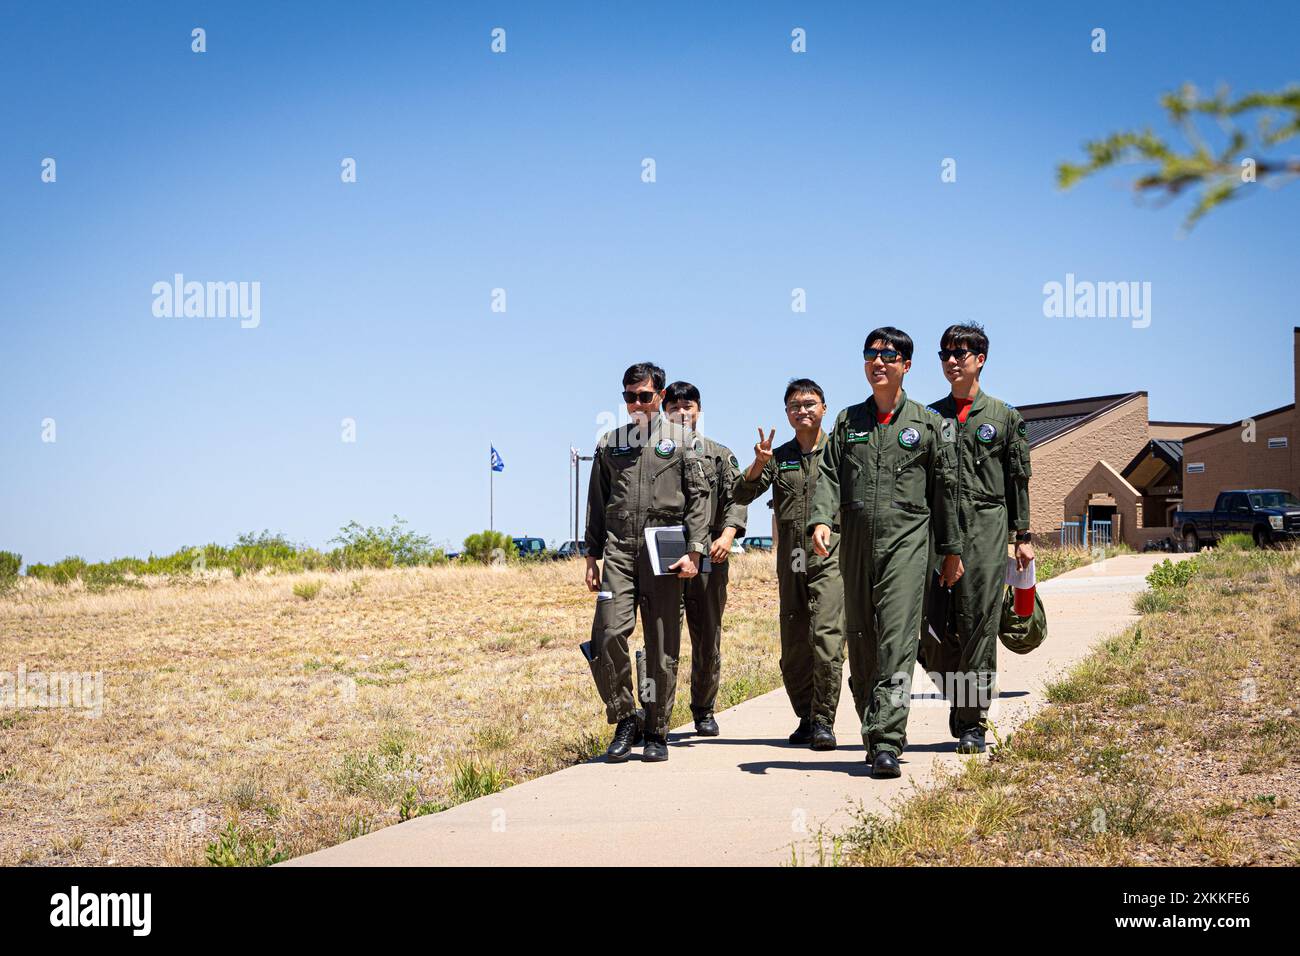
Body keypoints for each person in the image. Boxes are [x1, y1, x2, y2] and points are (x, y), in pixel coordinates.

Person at [808, 328, 961, 779]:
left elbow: (945, 493)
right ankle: (874, 732)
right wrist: (821, 519)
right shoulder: (848, 421)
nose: (879, 362)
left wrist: (951, 551)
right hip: (854, 541)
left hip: (907, 543)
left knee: (897, 638)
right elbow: (830, 475)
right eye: (871, 355)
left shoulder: (927, 425)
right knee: (860, 638)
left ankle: (888, 740)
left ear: (906, 366)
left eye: (889, 356)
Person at [584, 362, 710, 762]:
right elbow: (597, 503)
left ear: (659, 396)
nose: (636, 403)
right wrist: (591, 555)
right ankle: (625, 717)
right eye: (629, 396)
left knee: (662, 643)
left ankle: (657, 728)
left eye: (644, 396)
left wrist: (696, 551)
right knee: (607, 634)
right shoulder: (611, 443)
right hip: (619, 550)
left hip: (665, 549)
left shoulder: (682, 440)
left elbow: (699, 498)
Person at [919, 323, 1033, 754]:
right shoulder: (929, 417)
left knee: (977, 625)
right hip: (935, 528)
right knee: (928, 627)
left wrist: (1022, 535)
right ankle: (959, 696)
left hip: (987, 524)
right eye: (945, 353)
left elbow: (1018, 480)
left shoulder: (1005, 418)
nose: (952, 361)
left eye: (961, 353)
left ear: (979, 359)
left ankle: (972, 722)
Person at [733, 378, 845, 750]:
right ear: (787, 413)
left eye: (810, 404)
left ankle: (825, 720)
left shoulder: (840, 453)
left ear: (824, 408)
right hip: (792, 559)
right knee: (795, 641)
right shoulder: (778, 456)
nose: (803, 410)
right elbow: (743, 492)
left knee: (826, 636)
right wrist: (758, 462)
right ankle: (807, 716)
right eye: (795, 405)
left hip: (832, 557)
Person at [662, 381, 748, 737]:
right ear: (664, 410)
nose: (682, 412)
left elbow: (738, 497)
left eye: (689, 405)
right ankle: (658, 714)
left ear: (698, 410)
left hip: (711, 552)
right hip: (666, 551)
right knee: (662, 635)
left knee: (707, 634)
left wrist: (728, 535)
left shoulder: (718, 453)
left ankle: (703, 709)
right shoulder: (654, 452)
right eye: (675, 406)